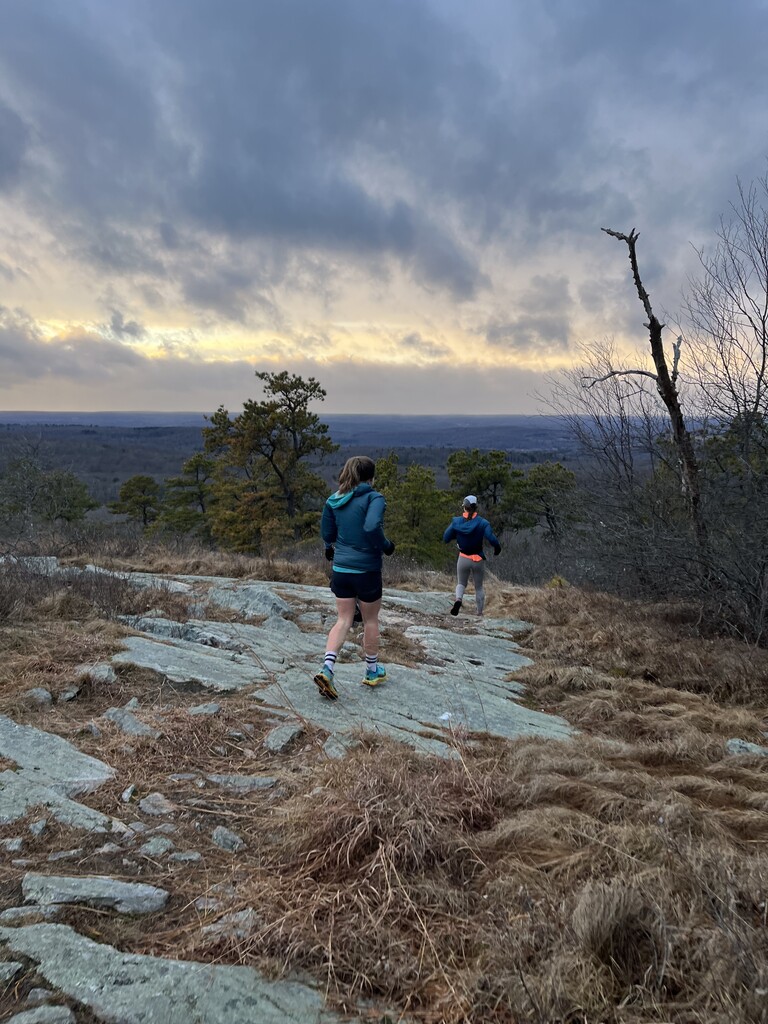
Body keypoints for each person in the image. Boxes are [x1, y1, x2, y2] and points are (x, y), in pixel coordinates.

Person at [314, 455, 395, 700]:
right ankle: (372, 670)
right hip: (367, 569)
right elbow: (371, 527)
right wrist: (386, 545)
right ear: (371, 477)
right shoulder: (374, 498)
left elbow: (327, 532)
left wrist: (329, 546)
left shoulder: (334, 499)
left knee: (343, 620)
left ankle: (327, 669)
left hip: (341, 569)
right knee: (370, 620)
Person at [443, 495, 501, 618]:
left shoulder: (456, 522)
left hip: (463, 557)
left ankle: (458, 600)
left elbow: (446, 538)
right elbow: (491, 538)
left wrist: (457, 535)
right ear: (476, 508)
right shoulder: (483, 523)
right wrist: (497, 548)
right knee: (479, 587)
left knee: (461, 583)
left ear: (464, 507)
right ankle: (479, 613)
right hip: (477, 559)